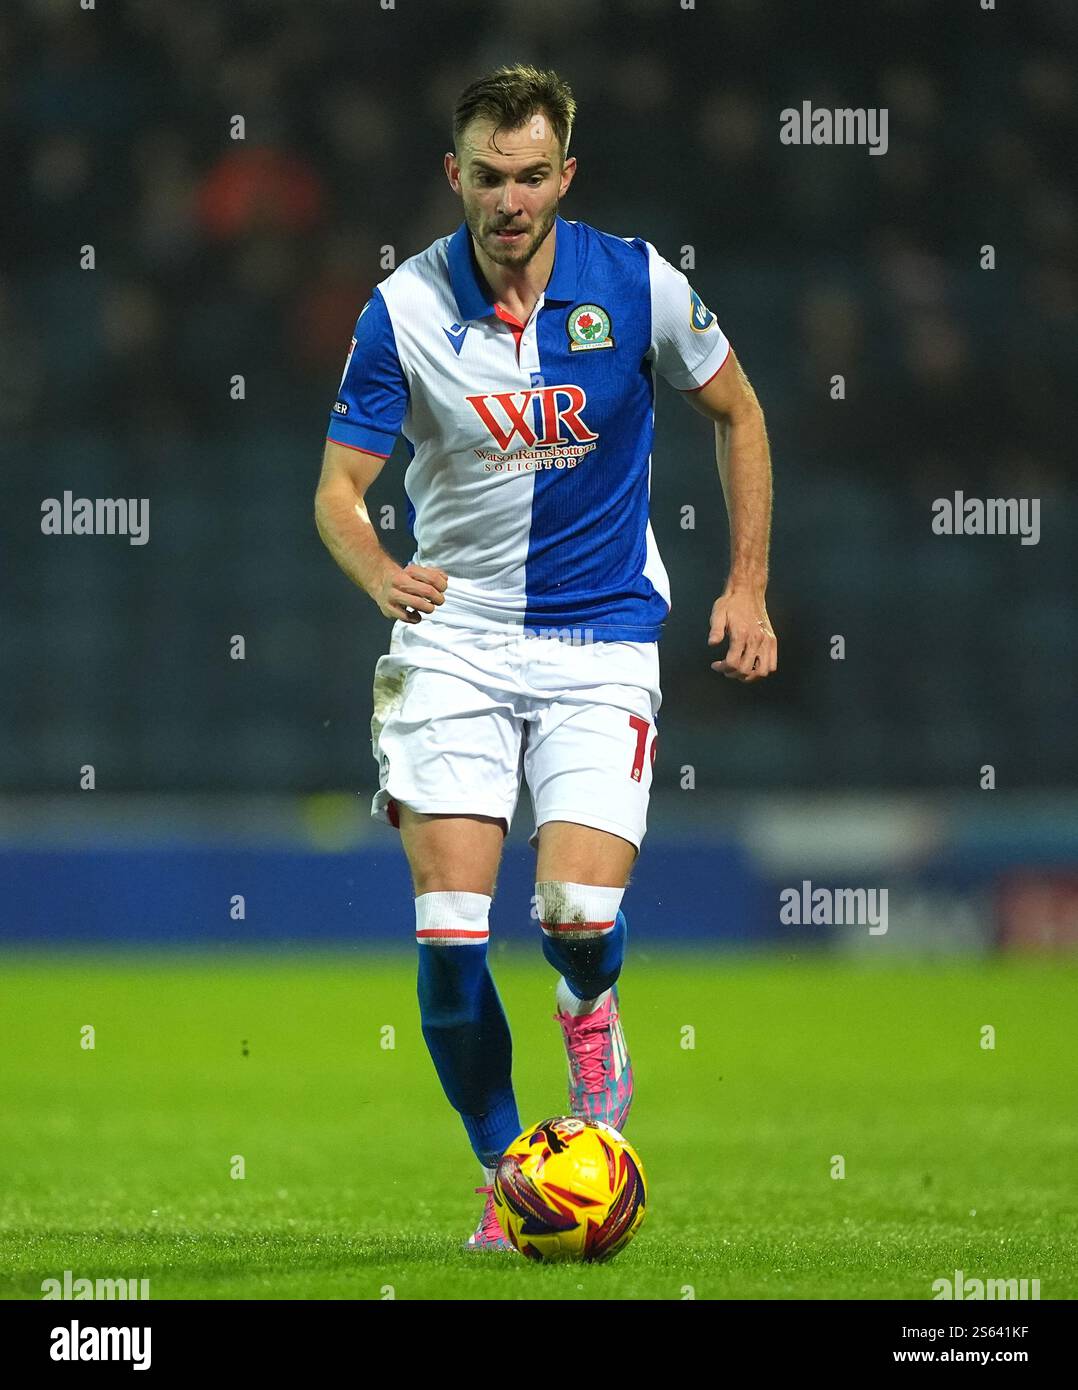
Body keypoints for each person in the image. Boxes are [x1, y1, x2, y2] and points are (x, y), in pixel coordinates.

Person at [314, 64, 776, 1252]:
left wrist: (745, 584)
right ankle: (504, 1175)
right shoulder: (402, 310)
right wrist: (379, 572)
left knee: (572, 912)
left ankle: (588, 998)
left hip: (600, 638)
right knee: (450, 938)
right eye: (487, 176)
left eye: (530, 177)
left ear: (565, 175)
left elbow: (738, 411)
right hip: (455, 643)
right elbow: (338, 493)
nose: (509, 201)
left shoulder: (636, 283)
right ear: (453, 174)